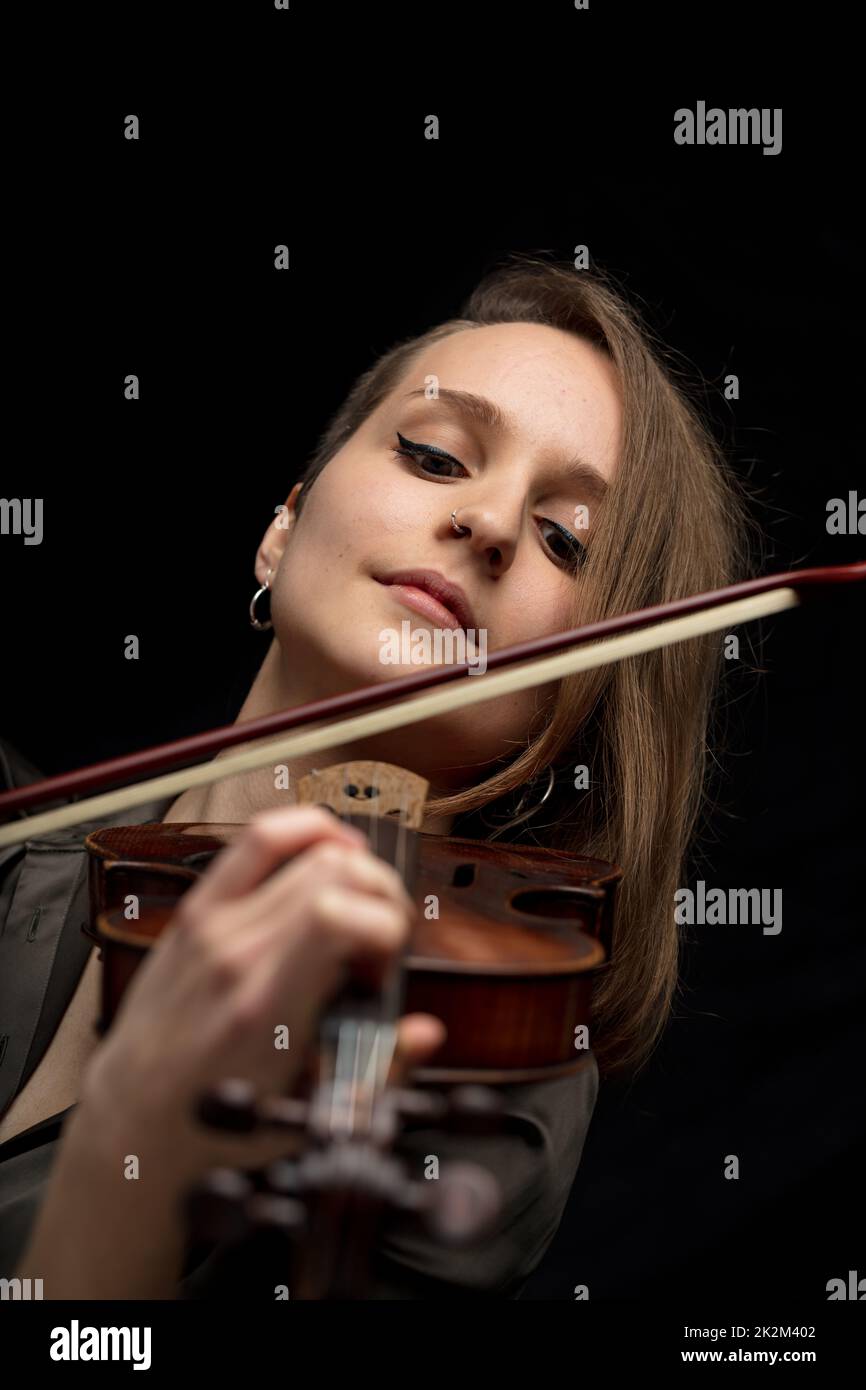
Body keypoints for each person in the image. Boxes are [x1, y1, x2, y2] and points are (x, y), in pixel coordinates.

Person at [0, 255, 749, 1298]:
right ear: (281, 528)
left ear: (577, 699)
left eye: (563, 541)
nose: (487, 524)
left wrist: (134, 1156)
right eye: (435, 456)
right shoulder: (22, 851)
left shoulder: (488, 1078)